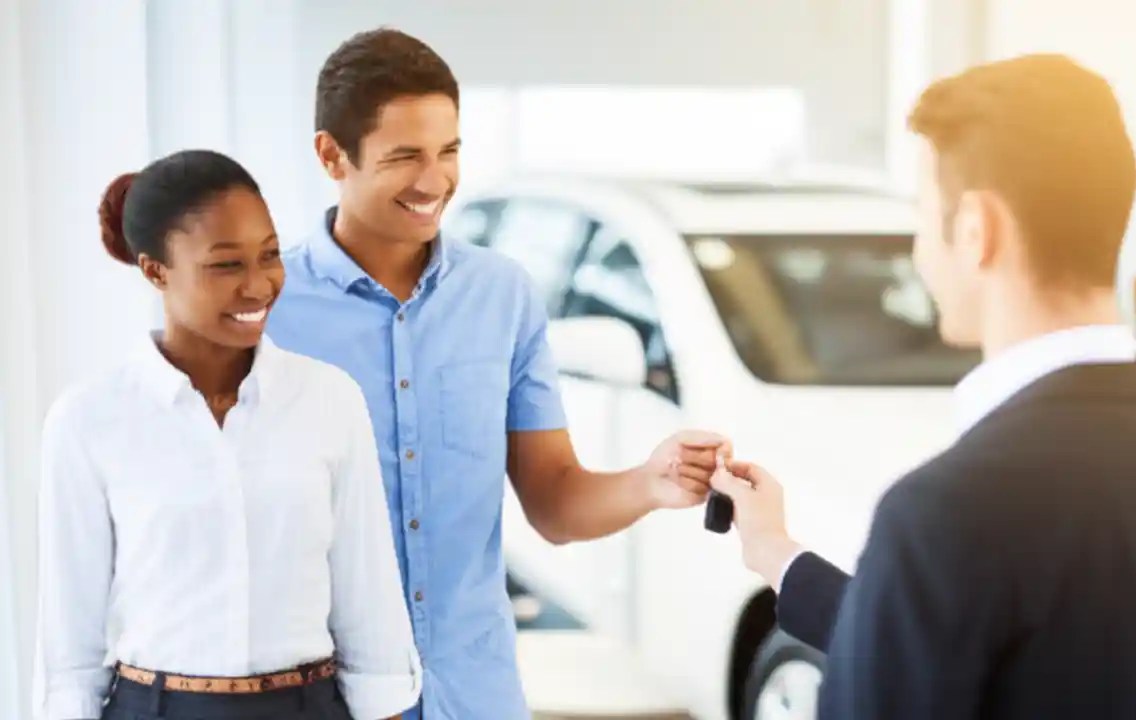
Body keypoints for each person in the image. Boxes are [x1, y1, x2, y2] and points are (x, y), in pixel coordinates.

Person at [710, 54, 1136, 719]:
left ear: (975, 230)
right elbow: (1008, 657)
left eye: (925, 218)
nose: (919, 251)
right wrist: (778, 556)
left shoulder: (942, 514)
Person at [266, 29, 728, 719]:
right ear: (332, 155)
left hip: (474, 695)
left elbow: (554, 501)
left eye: (448, 151)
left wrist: (650, 482)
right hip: (323, 697)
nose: (435, 181)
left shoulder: (503, 296)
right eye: (404, 157)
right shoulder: (268, 311)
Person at [34, 150, 421, 720]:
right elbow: (68, 650)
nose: (258, 285)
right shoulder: (89, 419)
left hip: (309, 705)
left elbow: (370, 607)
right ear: (155, 271)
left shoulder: (329, 400)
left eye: (268, 256)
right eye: (225, 265)